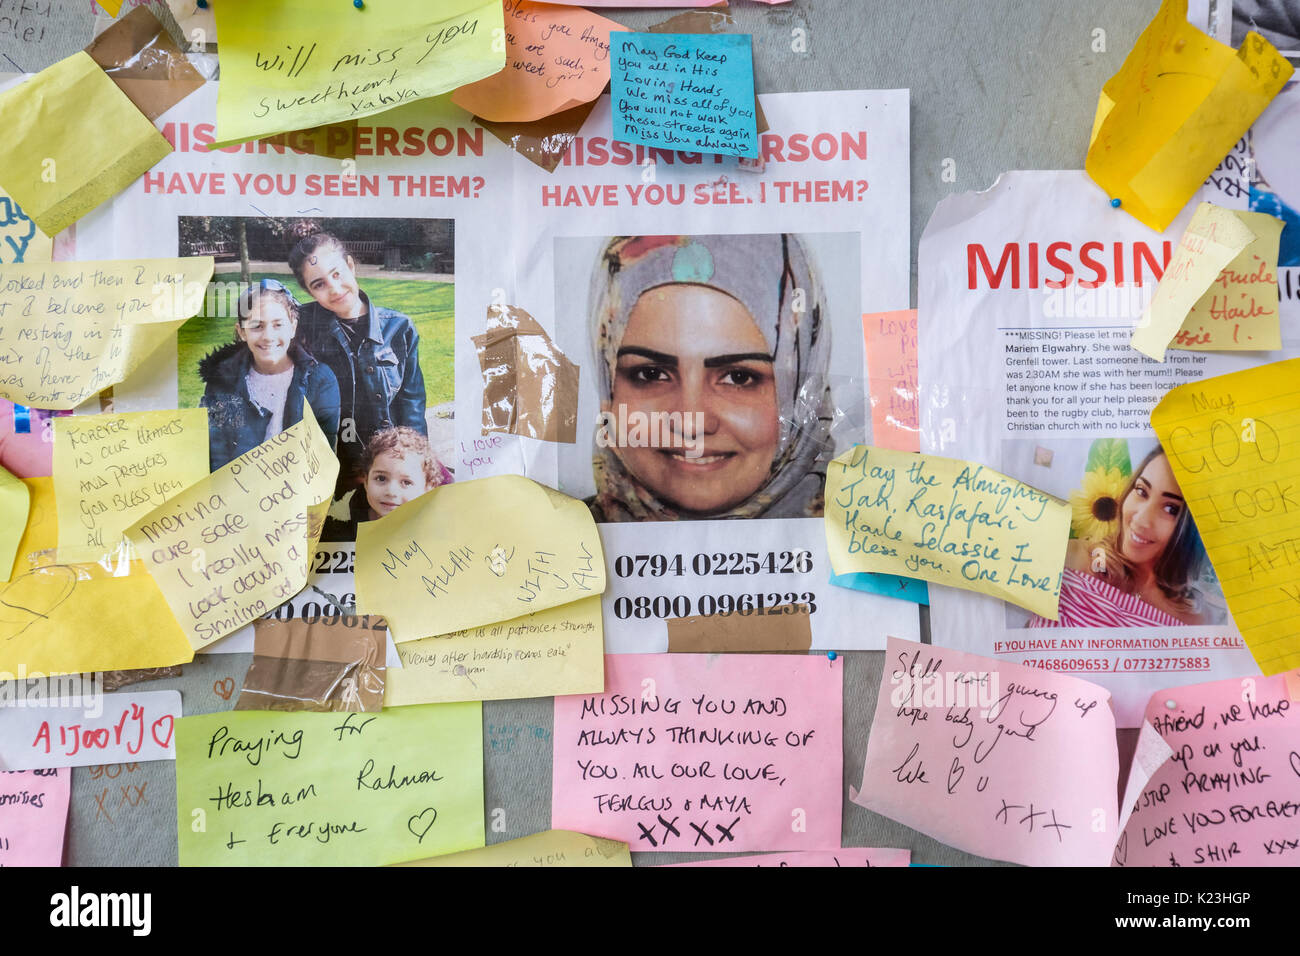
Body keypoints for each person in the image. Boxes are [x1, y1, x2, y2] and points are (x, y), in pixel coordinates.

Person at [586, 234, 834, 521]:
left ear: (798, 390)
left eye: (738, 378)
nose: (691, 423)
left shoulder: (866, 540)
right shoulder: (557, 538)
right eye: (652, 374)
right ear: (609, 388)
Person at [289, 233, 427, 497]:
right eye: (319, 284)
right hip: (331, 470)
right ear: (308, 292)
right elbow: (263, 322)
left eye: (337, 273)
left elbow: (412, 406)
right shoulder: (302, 327)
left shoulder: (400, 328)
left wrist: (416, 464)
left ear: (350, 265)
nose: (334, 288)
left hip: (386, 470)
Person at [1031, 447, 1206, 627]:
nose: (1140, 520)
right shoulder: (1072, 556)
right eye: (1141, 491)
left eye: (1171, 509)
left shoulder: (1192, 621)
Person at [198, 279, 340, 471]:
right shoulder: (224, 382)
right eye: (257, 326)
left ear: (293, 327)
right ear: (242, 332)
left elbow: (322, 456)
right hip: (239, 486)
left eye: (278, 325)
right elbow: (217, 455)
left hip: (297, 485)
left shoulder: (319, 380)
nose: (268, 336)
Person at [322, 426, 451, 540]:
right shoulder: (341, 523)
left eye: (406, 482)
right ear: (366, 481)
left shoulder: (438, 530)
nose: (391, 491)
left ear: (428, 488)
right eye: (381, 478)